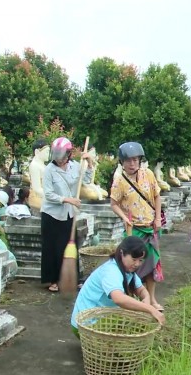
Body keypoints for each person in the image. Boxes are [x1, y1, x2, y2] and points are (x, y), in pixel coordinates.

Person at [70, 236, 165, 337]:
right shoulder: (111, 271)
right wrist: (150, 309)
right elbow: (119, 299)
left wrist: (146, 299)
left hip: (104, 320)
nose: (137, 264)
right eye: (134, 259)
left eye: (140, 260)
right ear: (122, 253)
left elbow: (141, 290)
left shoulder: (128, 271)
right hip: (86, 325)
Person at [110, 141, 163, 311]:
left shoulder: (148, 174)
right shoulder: (119, 181)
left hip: (150, 226)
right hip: (134, 230)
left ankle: (152, 299)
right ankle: (132, 300)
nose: (132, 164)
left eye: (135, 160)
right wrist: (125, 217)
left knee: (152, 264)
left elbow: (157, 196)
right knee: (130, 265)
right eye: (128, 161)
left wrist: (157, 219)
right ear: (122, 162)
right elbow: (114, 203)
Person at [40, 137, 94, 293]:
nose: (59, 157)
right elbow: (49, 194)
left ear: (69, 154)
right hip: (51, 214)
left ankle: (71, 279)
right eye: (56, 153)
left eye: (62, 154)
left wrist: (89, 163)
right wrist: (68, 199)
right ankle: (53, 280)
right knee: (52, 247)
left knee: (69, 246)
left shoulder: (75, 167)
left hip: (69, 214)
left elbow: (87, 179)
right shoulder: (49, 170)